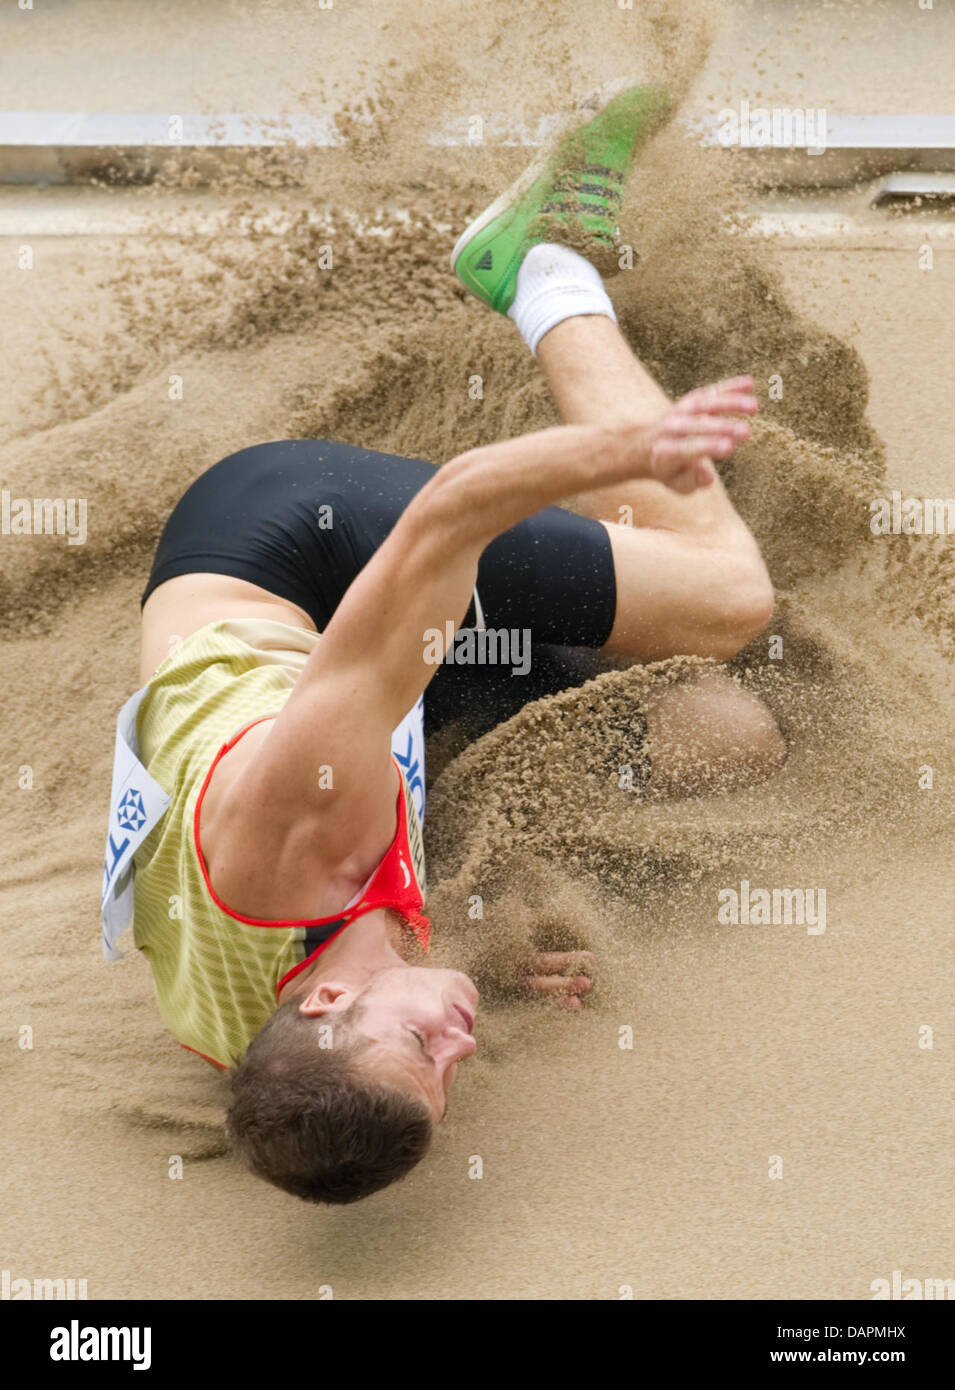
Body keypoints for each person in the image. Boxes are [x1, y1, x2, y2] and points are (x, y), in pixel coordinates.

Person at [101, 85, 784, 1205]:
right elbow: (316, 1041)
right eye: (449, 1077)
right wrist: (465, 952)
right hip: (364, 689)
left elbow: (452, 514)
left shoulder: (312, 813)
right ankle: (599, 587)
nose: (460, 1044)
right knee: (732, 733)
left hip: (293, 545)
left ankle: (537, 265)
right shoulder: (266, 1055)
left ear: (322, 1005)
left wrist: (636, 446)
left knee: (730, 599)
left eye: (425, 1048)